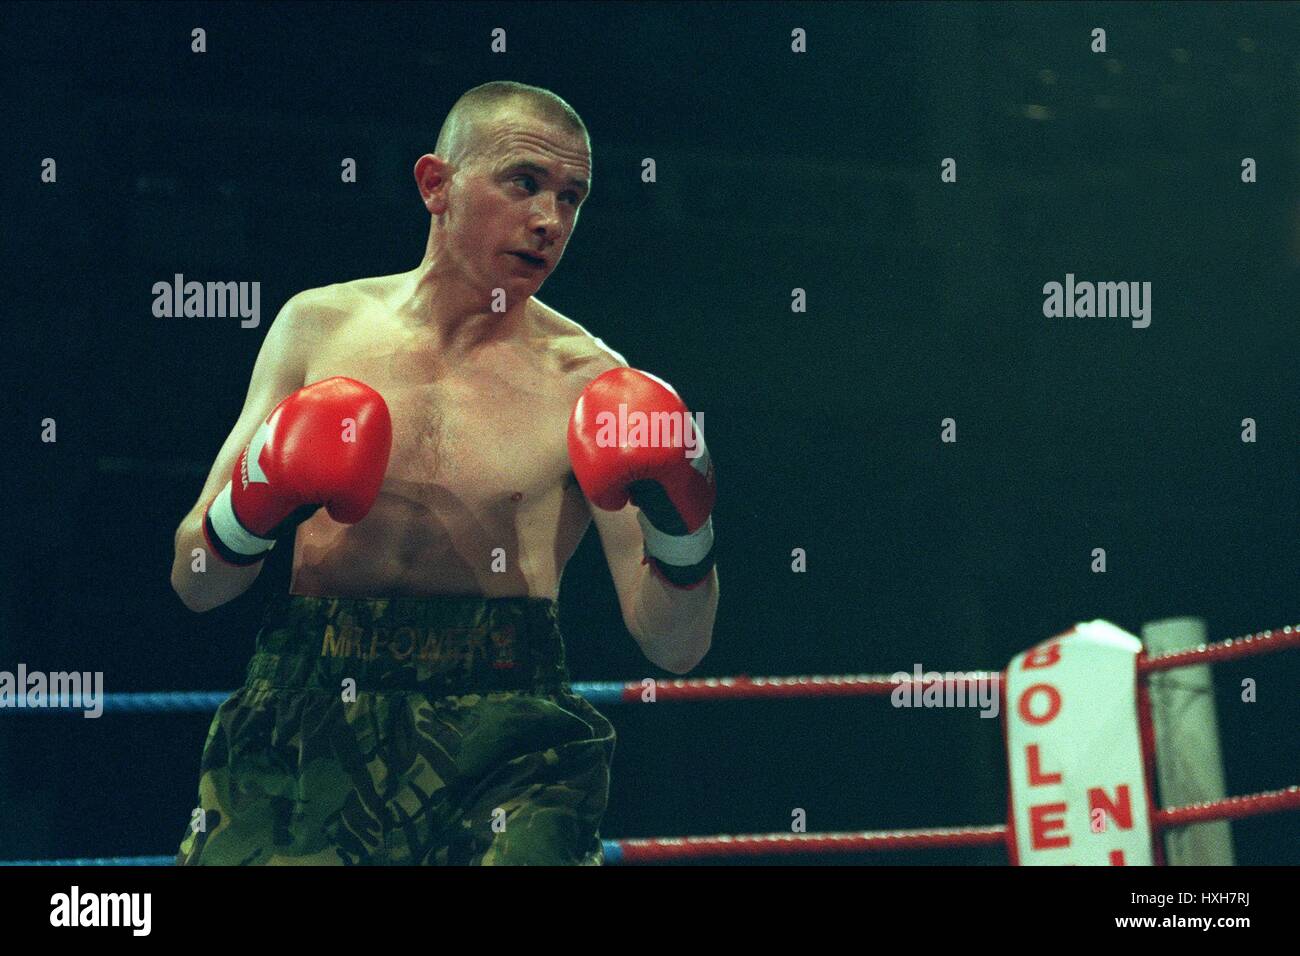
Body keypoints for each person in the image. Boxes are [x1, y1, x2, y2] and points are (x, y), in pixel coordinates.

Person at [169, 81, 719, 865]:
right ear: (437, 184)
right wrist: (255, 501)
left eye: (571, 197)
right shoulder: (317, 326)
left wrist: (684, 526)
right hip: (307, 699)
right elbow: (195, 581)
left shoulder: (589, 384)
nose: (549, 220)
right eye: (524, 182)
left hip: (507, 732)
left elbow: (675, 647)